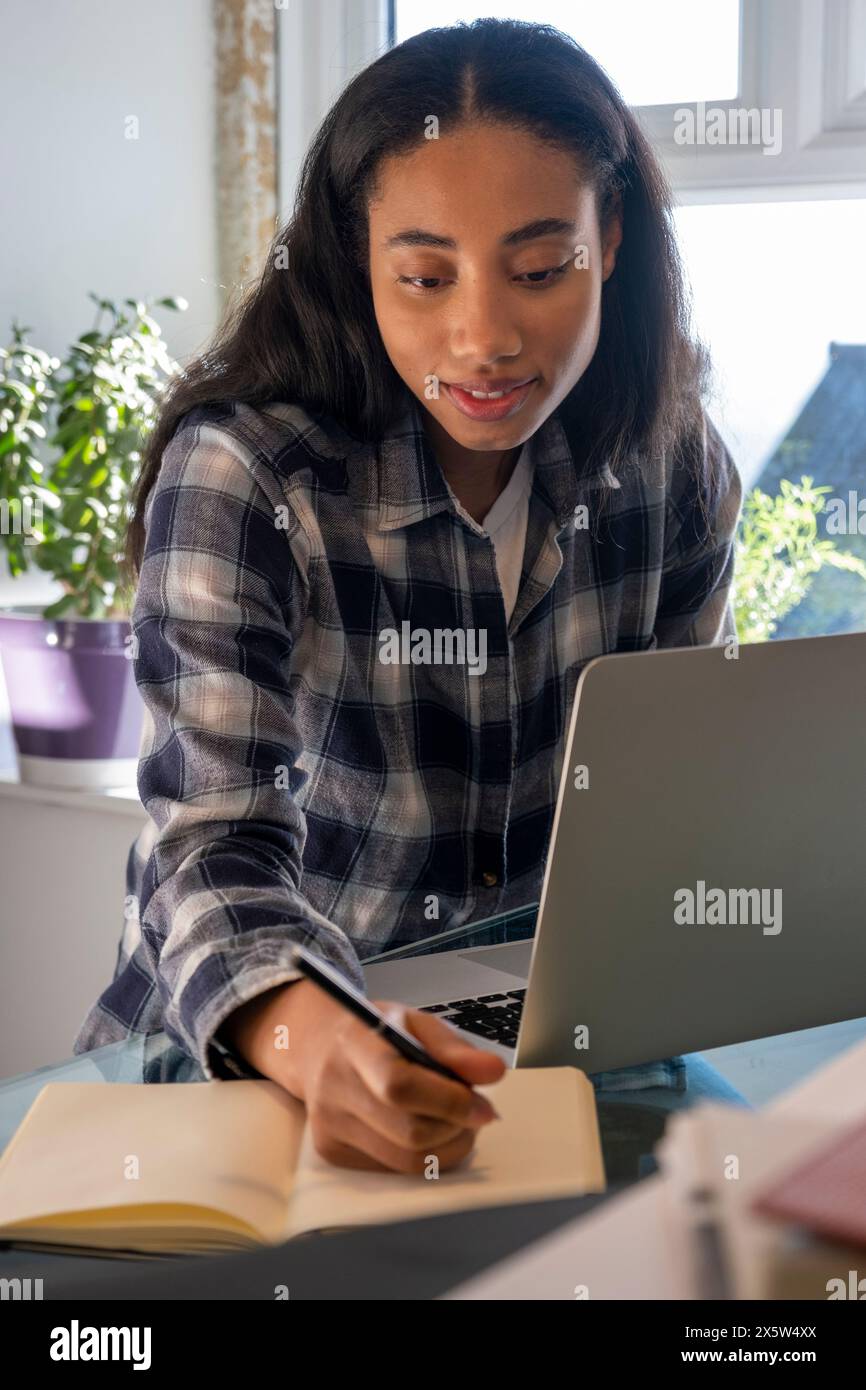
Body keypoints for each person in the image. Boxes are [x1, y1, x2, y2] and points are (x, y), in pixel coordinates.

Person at [74, 18, 748, 1175]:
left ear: (613, 236)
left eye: (540, 270)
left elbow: (665, 828)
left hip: (519, 1071)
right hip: (233, 1069)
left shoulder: (671, 473)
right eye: (423, 277)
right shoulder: (247, 476)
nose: (481, 338)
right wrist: (316, 1037)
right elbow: (209, 848)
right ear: (355, 256)